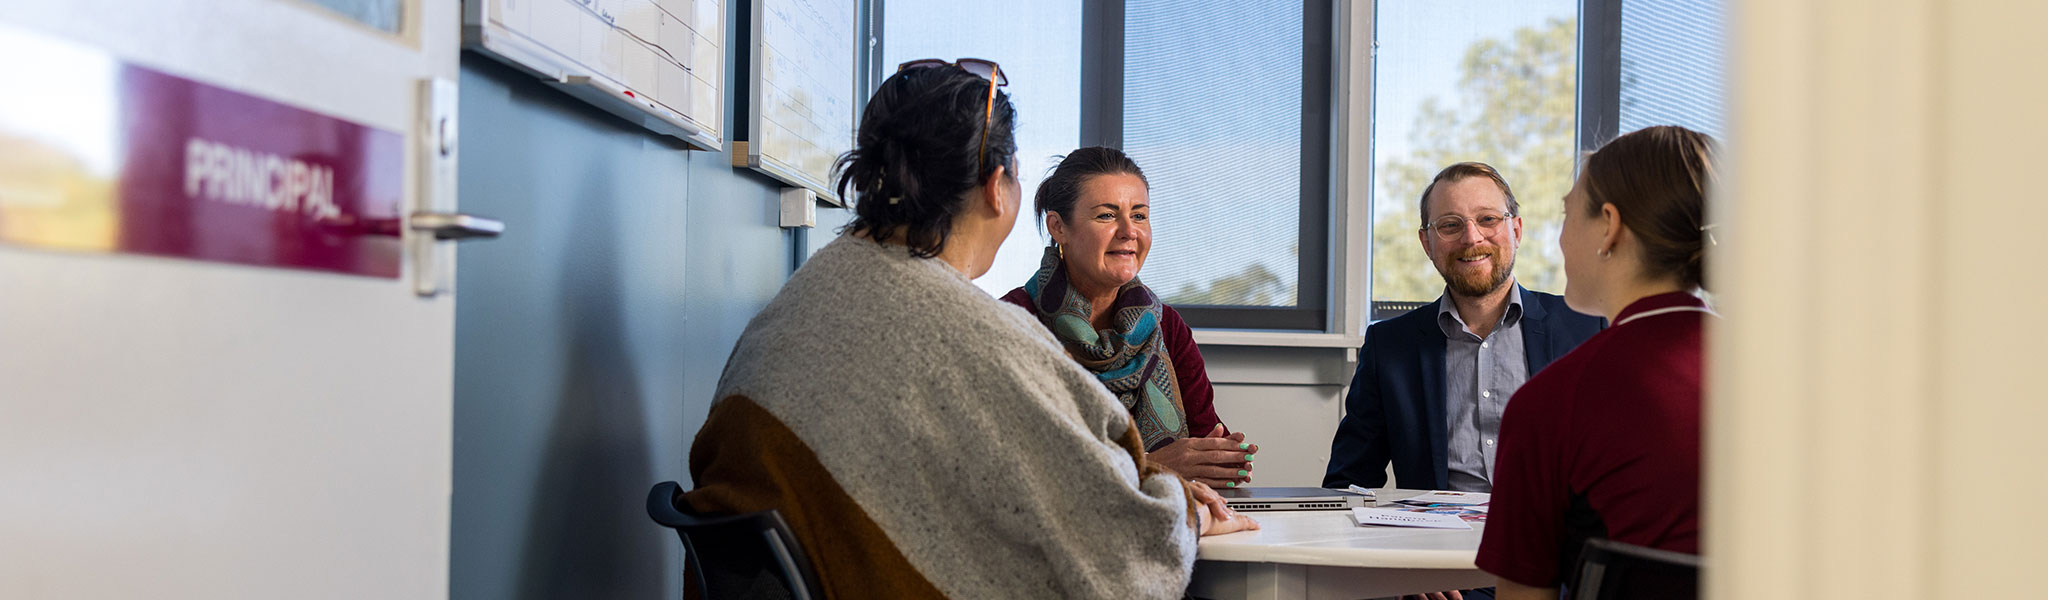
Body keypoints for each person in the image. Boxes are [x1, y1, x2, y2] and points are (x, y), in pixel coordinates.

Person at [682, 60, 1257, 599]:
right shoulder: (981, 337)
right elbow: (1129, 555)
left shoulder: (800, 299)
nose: (1127, 230)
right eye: (1106, 214)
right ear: (997, 186)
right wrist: (1187, 507)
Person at [1477, 126, 1719, 600]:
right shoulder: (1797, 380)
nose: (1560, 240)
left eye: (1567, 215)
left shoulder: (1553, 403)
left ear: (1609, 226)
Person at [1323, 162, 1604, 494]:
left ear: (1516, 231)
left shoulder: (1588, 328)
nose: (1471, 238)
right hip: (1437, 541)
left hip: (1555, 538)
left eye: (1487, 219)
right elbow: (1348, 482)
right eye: (1450, 225)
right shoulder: (1389, 347)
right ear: (1427, 243)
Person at [1000, 147, 1258, 489]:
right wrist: (1150, 465)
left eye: (1139, 215)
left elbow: (1200, 443)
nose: (1128, 231)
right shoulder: (1014, 320)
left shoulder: (1168, 326)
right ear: (1058, 227)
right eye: (1107, 216)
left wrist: (1219, 458)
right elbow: (1013, 469)